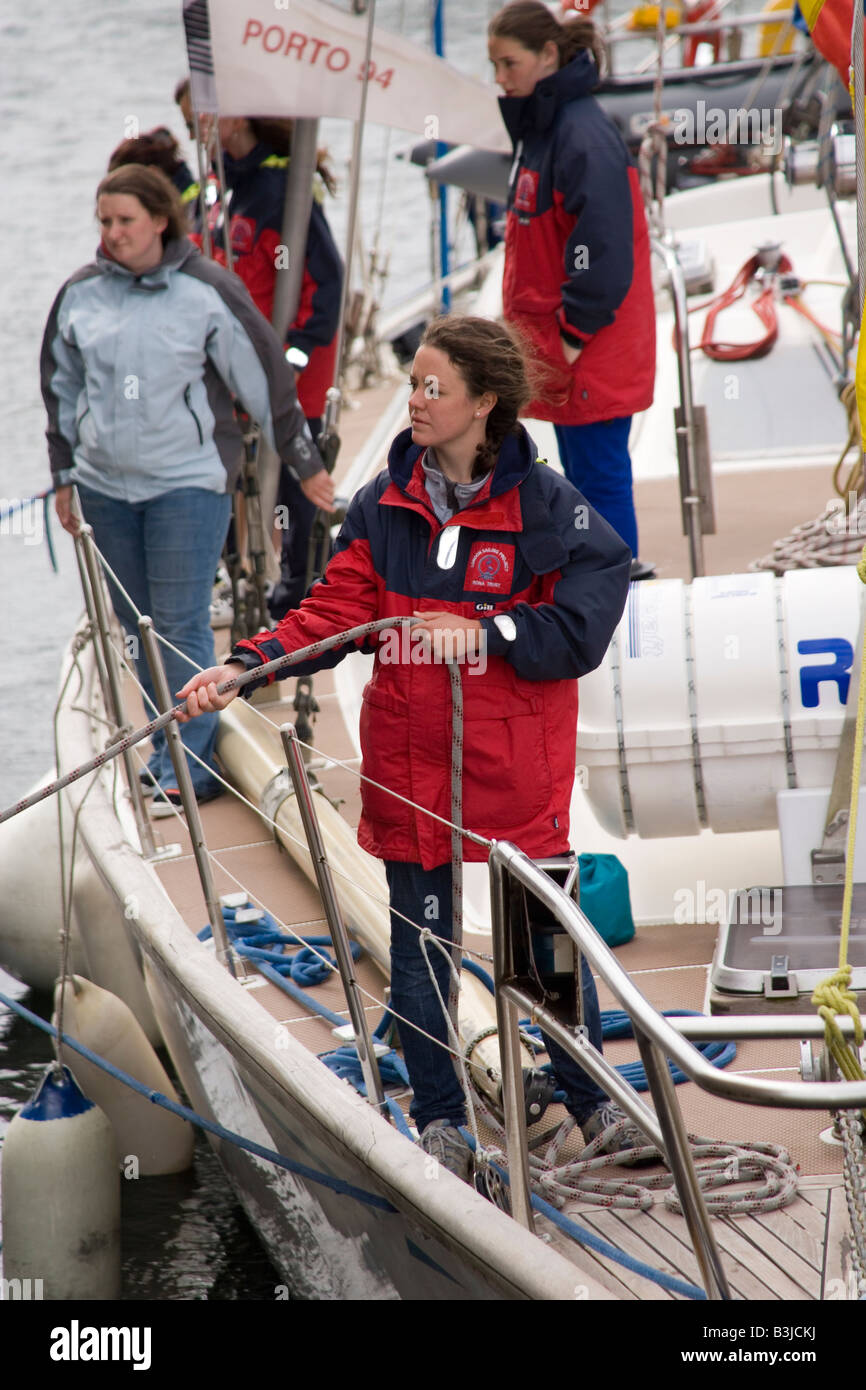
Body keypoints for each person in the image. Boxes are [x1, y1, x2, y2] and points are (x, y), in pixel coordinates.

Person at [176, 314, 649, 1180]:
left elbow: (589, 612)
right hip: (411, 770)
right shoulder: (382, 505)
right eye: (414, 385)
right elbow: (334, 611)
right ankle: (442, 1122)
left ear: (485, 403)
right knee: (419, 953)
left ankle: (590, 1106)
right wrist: (244, 666)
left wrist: (490, 631)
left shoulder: (548, 507)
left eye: (435, 387)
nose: (417, 401)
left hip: (515, 765)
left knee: (540, 949)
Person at [41, 164, 334, 804]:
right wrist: (64, 476)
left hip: (188, 482)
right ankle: (166, 741)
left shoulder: (206, 289)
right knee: (136, 624)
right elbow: (60, 391)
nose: (112, 233)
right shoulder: (81, 295)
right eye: (104, 222)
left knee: (177, 624)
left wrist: (304, 462)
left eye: (125, 221)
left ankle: (190, 767)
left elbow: (265, 382)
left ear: (159, 221)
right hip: (103, 485)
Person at [488, 1, 657, 579]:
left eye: (509, 64)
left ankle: (616, 595)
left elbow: (605, 250)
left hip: (587, 350)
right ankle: (601, 589)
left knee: (599, 477)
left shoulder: (578, 134)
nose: (500, 79)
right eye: (495, 66)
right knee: (585, 479)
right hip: (565, 353)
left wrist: (570, 337)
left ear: (549, 57)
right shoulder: (546, 129)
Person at [216, 116, 344, 618]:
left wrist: (292, 358)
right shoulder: (229, 192)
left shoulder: (278, 194)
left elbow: (325, 281)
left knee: (298, 482)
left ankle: (301, 597)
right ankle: (245, 583)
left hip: (292, 376)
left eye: (201, 117)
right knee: (239, 478)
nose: (197, 129)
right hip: (241, 375)